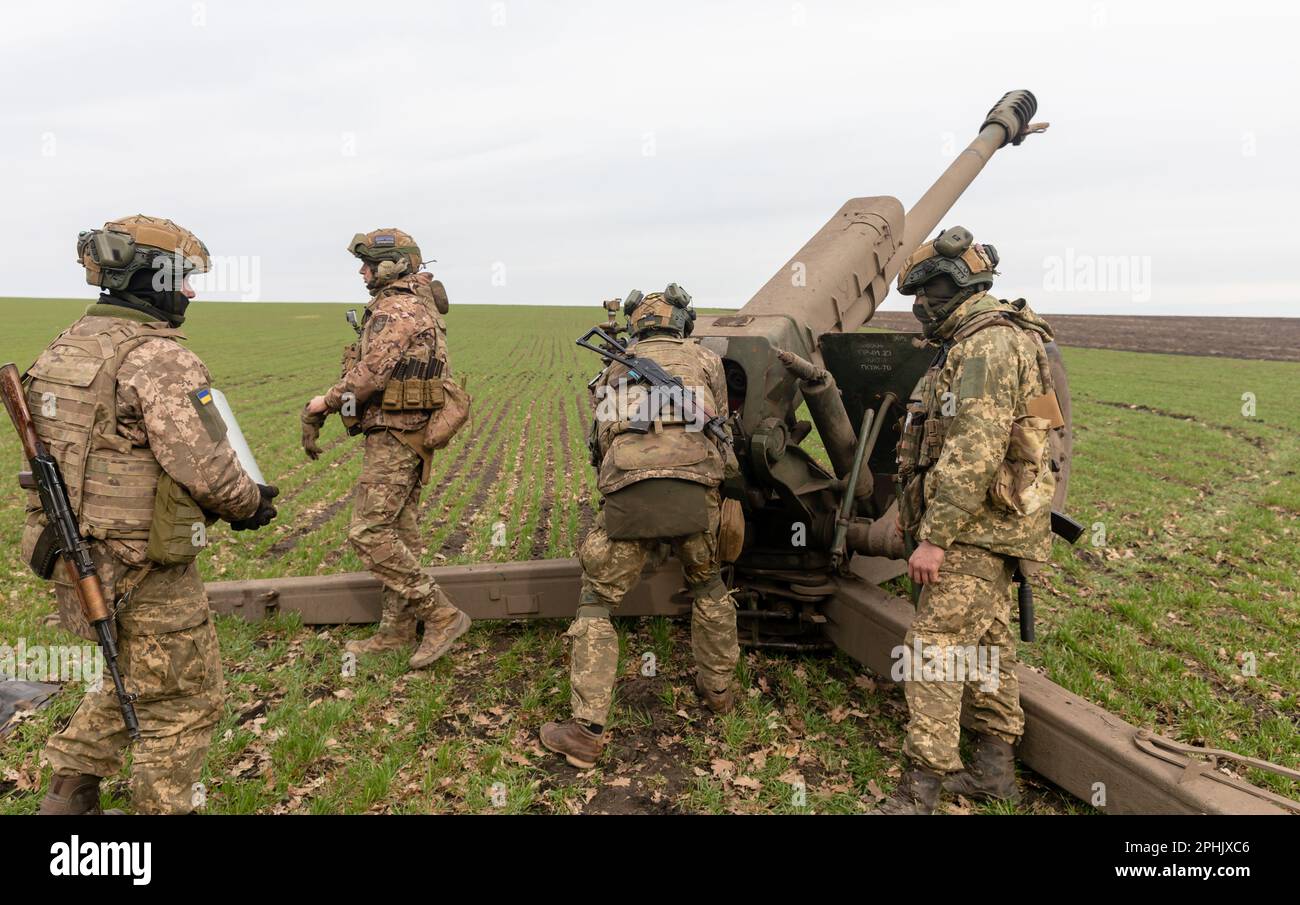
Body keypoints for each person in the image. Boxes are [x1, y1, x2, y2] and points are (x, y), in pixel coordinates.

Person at [32, 215, 277, 815]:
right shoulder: (158, 359)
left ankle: (69, 795)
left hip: (78, 559)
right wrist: (249, 505)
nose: (191, 292)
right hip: (143, 566)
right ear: (147, 275)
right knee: (183, 699)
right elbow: (208, 468)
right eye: (184, 277)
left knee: (138, 675)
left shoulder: (66, 345)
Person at [875, 226, 1061, 814]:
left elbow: (973, 449)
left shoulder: (985, 345)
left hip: (973, 531)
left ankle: (921, 788)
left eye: (924, 294)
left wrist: (934, 538)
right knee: (988, 646)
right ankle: (994, 772)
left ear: (955, 286)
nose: (918, 307)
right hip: (993, 526)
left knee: (933, 648)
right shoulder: (996, 339)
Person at [540, 284, 739, 769]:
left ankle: (585, 731)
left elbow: (600, 444)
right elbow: (725, 426)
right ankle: (718, 692)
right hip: (697, 491)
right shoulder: (706, 360)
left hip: (631, 490)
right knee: (709, 584)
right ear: (682, 323)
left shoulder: (613, 365)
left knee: (597, 602)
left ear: (637, 325)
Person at [303, 229, 469, 670]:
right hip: (409, 432)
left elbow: (370, 375)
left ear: (393, 265)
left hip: (396, 432)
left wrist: (324, 402)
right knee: (401, 533)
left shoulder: (397, 307)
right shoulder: (418, 303)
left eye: (368, 264)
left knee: (369, 531)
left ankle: (440, 614)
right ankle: (396, 633)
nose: (362, 271)